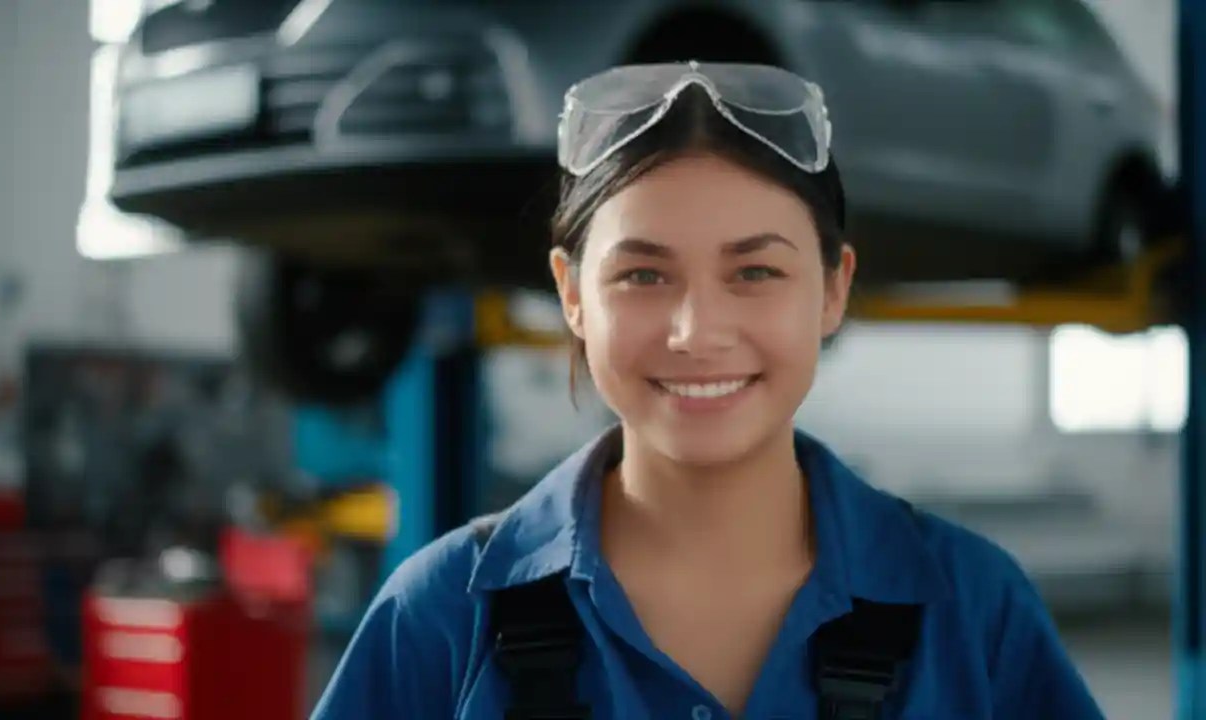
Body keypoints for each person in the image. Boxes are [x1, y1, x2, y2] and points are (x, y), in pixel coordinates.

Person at [310, 61, 1105, 719]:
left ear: (833, 288)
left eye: (755, 272)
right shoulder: (444, 618)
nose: (696, 331)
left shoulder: (974, 615)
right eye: (642, 275)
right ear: (572, 293)